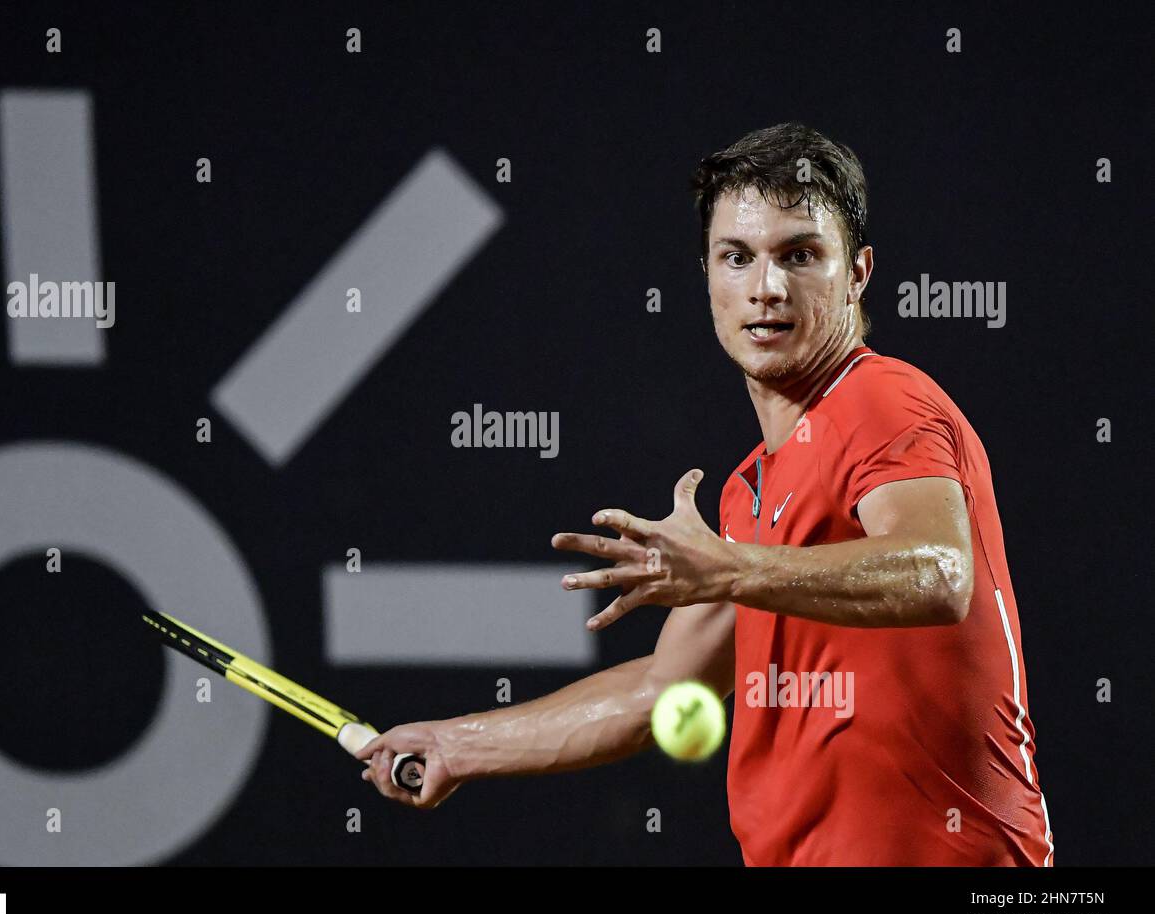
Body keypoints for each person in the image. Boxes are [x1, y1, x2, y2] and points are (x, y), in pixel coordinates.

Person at [358, 123, 1054, 866]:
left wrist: (729, 570)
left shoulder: (882, 399)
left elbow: (940, 574)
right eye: (737, 258)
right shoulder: (747, 492)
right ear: (707, 277)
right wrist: (458, 745)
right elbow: (659, 690)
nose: (767, 288)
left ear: (858, 273)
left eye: (800, 255)